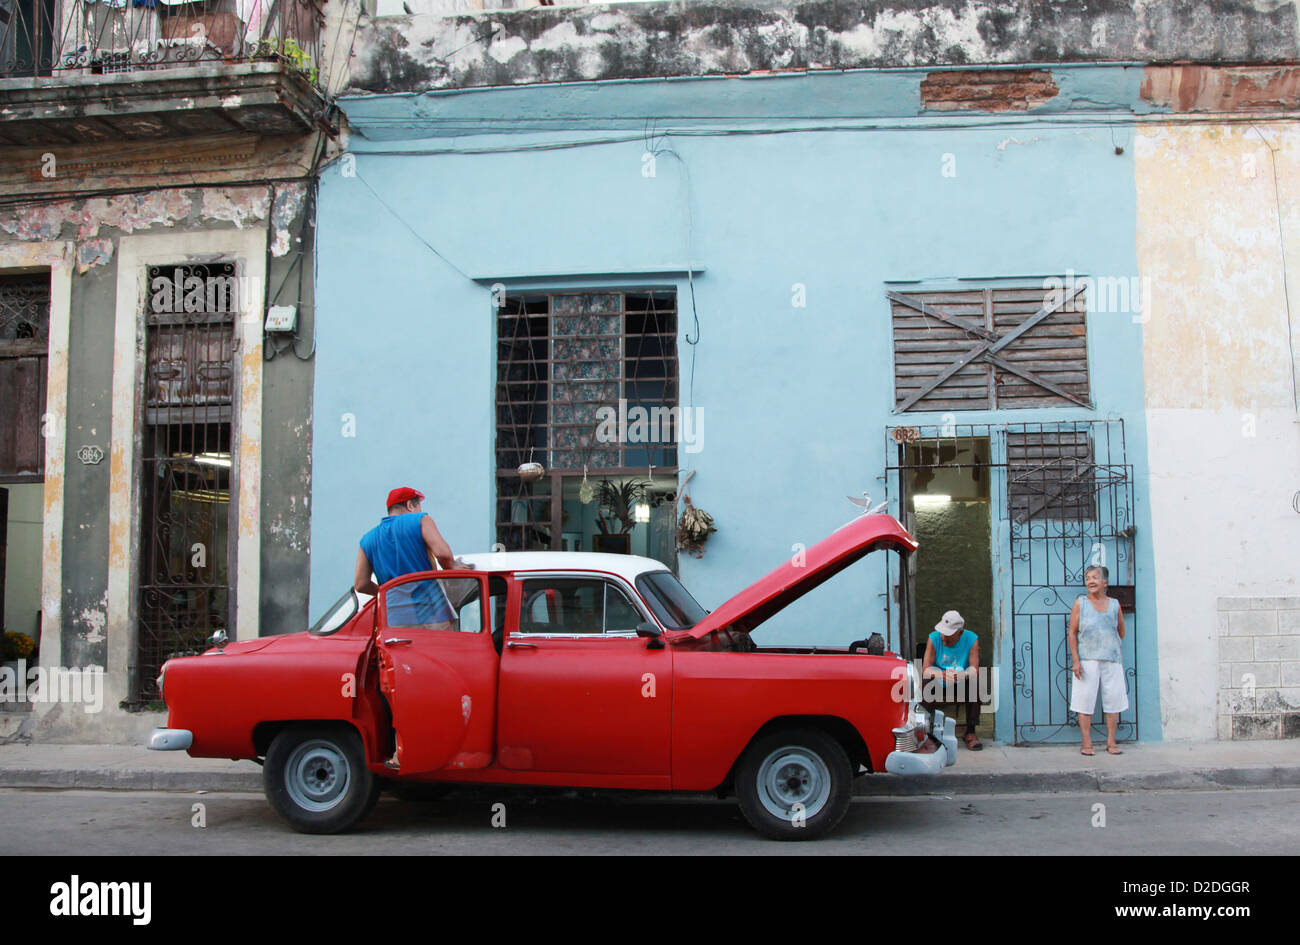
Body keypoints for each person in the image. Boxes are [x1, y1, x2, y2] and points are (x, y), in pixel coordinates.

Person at [354, 486, 460, 627]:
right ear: (410, 505)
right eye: (419, 507)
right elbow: (442, 553)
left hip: (393, 619)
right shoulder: (421, 520)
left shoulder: (367, 539)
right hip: (431, 612)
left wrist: (387, 593)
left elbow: (361, 584)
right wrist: (452, 567)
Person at [1068, 564, 1128, 756]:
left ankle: (1111, 741)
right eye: (1087, 578)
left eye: (1095, 577)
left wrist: (1109, 644)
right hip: (1087, 659)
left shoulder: (1115, 604)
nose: (1090, 581)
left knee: (1113, 700)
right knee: (1084, 700)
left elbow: (1121, 631)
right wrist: (1076, 660)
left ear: (1105, 583)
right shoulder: (1081, 603)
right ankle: (1087, 742)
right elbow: (1072, 633)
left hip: (1111, 659)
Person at [921, 610, 983, 750]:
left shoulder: (971, 639)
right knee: (925, 681)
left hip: (961, 679)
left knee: (976, 681)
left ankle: (970, 732)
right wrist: (941, 675)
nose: (943, 637)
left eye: (948, 635)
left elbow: (974, 668)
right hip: (939, 678)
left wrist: (962, 675)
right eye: (943, 632)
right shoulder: (934, 638)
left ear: (960, 633)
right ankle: (925, 731)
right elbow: (926, 668)